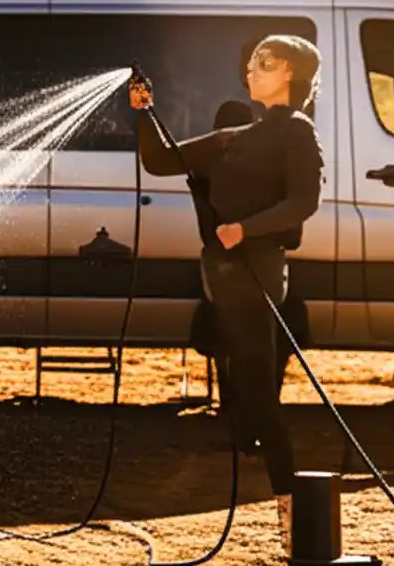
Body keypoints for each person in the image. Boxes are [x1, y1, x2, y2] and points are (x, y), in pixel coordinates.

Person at [129, 35, 325, 554]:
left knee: (258, 396)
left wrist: (246, 229)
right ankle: (292, 521)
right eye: (251, 62)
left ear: (291, 73)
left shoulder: (297, 131)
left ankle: (295, 522)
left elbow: (304, 201)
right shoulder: (233, 137)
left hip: (258, 273)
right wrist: (144, 112)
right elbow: (161, 160)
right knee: (248, 393)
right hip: (225, 277)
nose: (251, 70)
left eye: (265, 62)